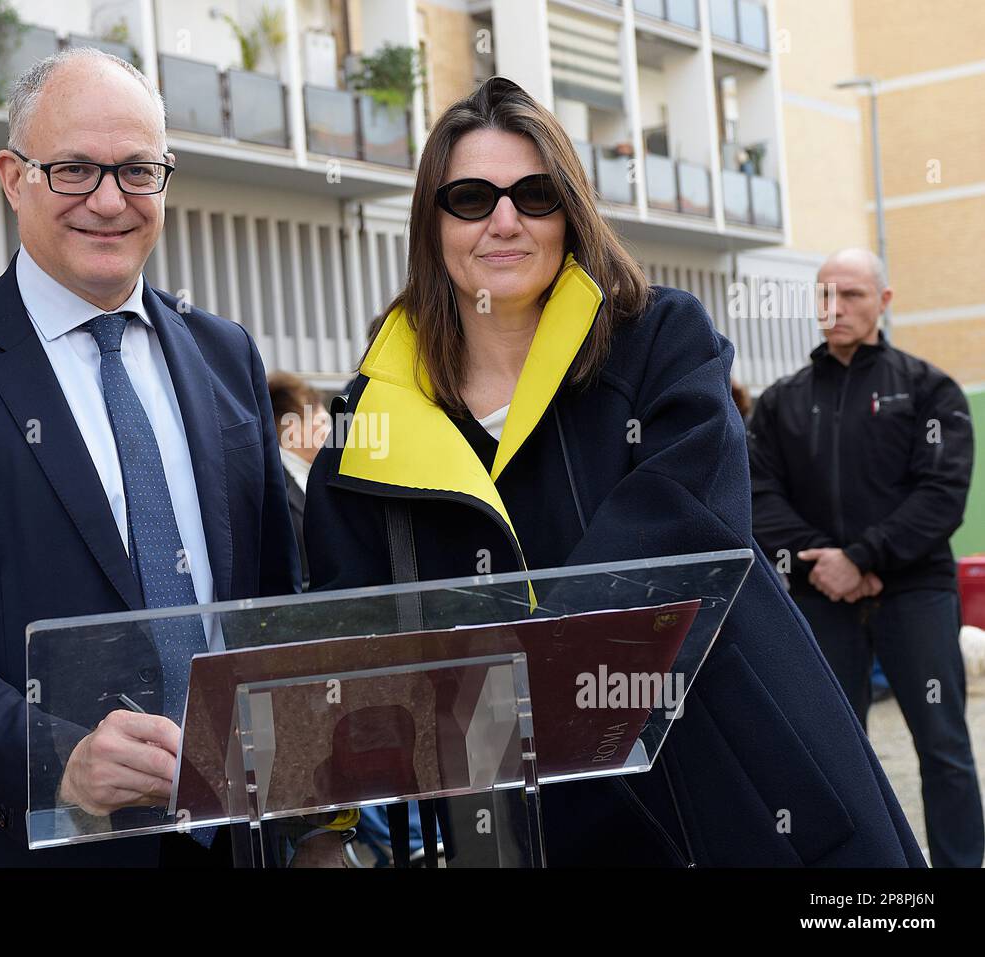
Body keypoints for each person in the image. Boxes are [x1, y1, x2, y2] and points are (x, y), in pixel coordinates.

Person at [303, 76, 924, 866]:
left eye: (534, 195)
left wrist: (522, 681)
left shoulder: (659, 340)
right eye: (469, 197)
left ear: (570, 211)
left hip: (719, 774)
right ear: (432, 223)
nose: (504, 221)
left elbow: (690, 530)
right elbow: (339, 621)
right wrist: (328, 820)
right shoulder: (372, 414)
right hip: (508, 819)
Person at [0, 48, 302, 867]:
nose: (109, 200)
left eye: (136, 171)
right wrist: (61, 760)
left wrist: (309, 828)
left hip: (230, 840)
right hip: (29, 844)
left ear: (167, 180)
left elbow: (272, 603)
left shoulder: (226, 356)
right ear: (14, 177)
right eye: (75, 170)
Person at [749, 247, 983, 868]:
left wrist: (863, 556)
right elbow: (757, 495)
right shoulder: (780, 404)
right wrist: (823, 563)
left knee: (942, 745)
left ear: (884, 300)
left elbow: (941, 495)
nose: (835, 307)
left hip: (915, 593)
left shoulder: (930, 390)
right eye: (824, 294)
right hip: (819, 595)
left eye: (851, 294)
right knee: (829, 751)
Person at [266, 372, 331, 589]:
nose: (332, 432)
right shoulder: (269, 485)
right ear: (292, 430)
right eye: (322, 422)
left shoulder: (320, 476)